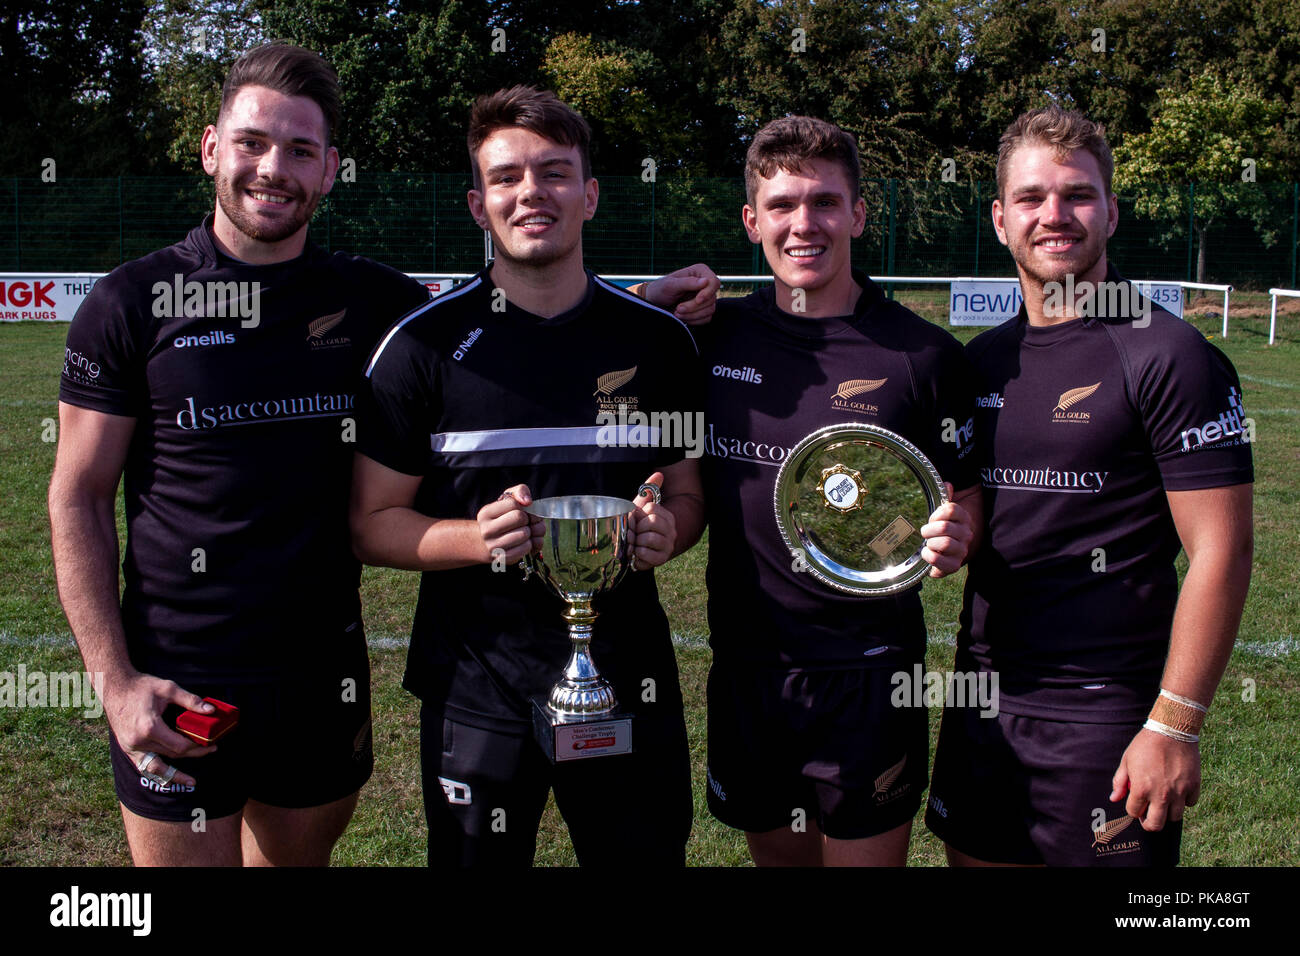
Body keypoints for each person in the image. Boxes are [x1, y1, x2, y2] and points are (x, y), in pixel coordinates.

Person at [48, 42, 435, 865]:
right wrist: (114, 684)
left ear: (330, 170)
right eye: (253, 142)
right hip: (175, 680)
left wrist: (639, 305)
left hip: (319, 676)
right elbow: (76, 496)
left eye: (300, 150)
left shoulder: (373, 302)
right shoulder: (129, 303)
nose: (273, 168)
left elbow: (509, 319)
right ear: (211, 149)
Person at [349, 86, 708, 866]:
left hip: (626, 674)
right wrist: (474, 538)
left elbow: (686, 496)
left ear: (590, 194)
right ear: (479, 205)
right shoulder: (421, 348)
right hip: (476, 685)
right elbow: (371, 521)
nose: (530, 193)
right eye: (506, 177)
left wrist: (668, 531)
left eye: (553, 172)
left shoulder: (660, 342)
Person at [924, 106, 1254, 867]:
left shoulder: (1169, 355)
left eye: (1076, 195)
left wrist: (1173, 726)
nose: (1055, 216)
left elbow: (1223, 553)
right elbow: (971, 509)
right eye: (1032, 198)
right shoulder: (982, 364)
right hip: (983, 701)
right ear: (1001, 220)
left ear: (1109, 209)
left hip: (1107, 715)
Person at [695, 116, 981, 866]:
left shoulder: (924, 357)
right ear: (752, 220)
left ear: (857, 214)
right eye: (783, 205)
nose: (804, 225)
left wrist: (961, 531)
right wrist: (654, 294)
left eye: (824, 202)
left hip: (871, 675)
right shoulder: (710, 340)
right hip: (750, 670)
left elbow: (970, 491)